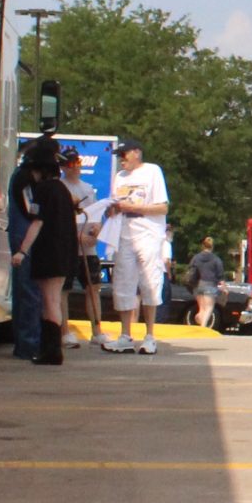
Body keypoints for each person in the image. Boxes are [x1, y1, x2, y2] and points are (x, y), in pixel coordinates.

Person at [11, 138, 81, 367]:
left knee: (48, 302)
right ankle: (53, 349)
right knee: (54, 300)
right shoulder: (63, 191)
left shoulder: (42, 190)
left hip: (48, 252)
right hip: (64, 252)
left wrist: (22, 251)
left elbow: (37, 222)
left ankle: (49, 351)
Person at [100, 139, 169, 355]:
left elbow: (163, 207)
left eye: (124, 154)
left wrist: (134, 206)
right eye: (119, 156)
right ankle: (125, 335)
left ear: (137, 152)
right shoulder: (119, 177)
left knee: (149, 281)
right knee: (123, 282)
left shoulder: (152, 172)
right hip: (124, 234)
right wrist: (112, 210)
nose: (121, 160)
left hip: (147, 233)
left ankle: (149, 335)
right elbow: (115, 203)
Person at [56, 145, 108, 348]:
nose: (74, 168)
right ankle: (65, 332)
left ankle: (97, 331)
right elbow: (59, 219)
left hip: (88, 248)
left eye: (77, 163)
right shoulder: (61, 188)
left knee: (93, 288)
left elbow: (95, 214)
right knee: (64, 289)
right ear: (63, 167)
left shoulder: (87, 188)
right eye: (70, 164)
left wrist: (96, 231)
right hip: (69, 247)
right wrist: (76, 236)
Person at [4, 153, 42, 362]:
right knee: (30, 291)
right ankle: (29, 343)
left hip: (20, 234)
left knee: (23, 291)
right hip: (24, 236)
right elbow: (30, 211)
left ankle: (24, 343)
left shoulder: (20, 176)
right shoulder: (25, 180)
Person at [186, 235, 225, 328]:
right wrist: (224, 287)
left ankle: (198, 319)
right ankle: (203, 327)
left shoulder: (196, 258)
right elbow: (220, 274)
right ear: (212, 246)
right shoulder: (216, 259)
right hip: (210, 285)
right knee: (209, 308)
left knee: (202, 309)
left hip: (198, 286)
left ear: (203, 246)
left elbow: (191, 269)